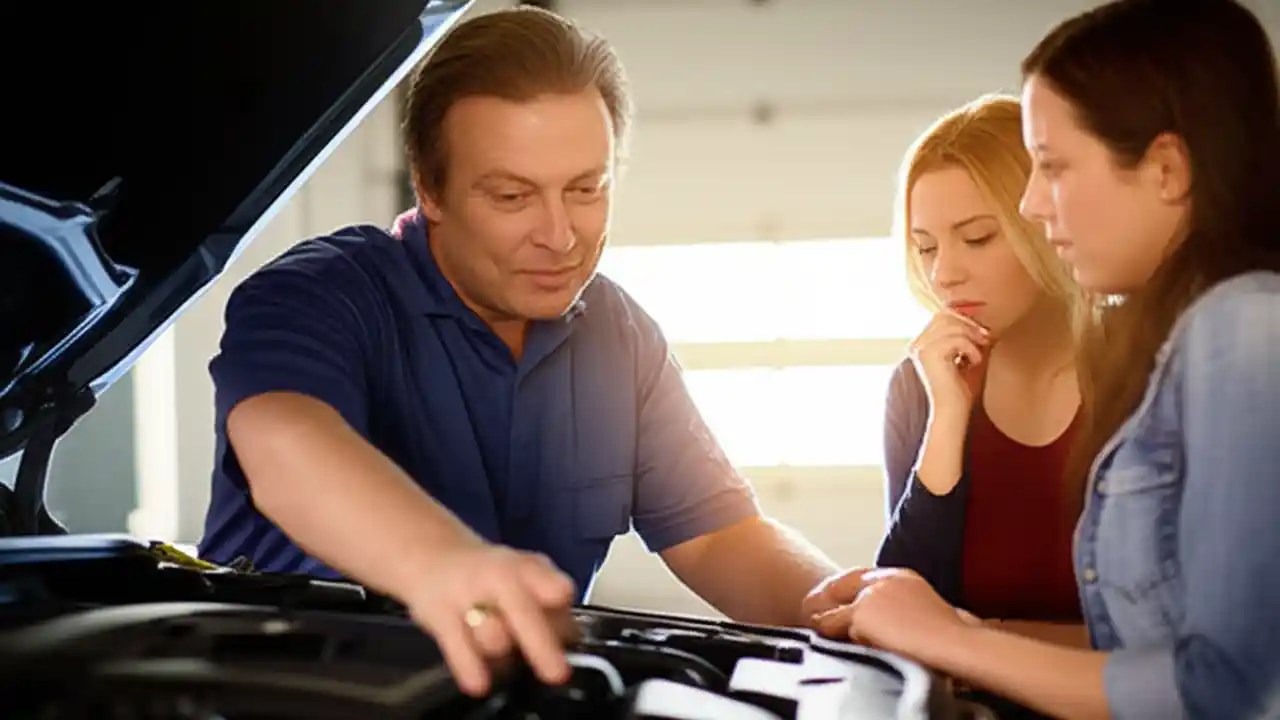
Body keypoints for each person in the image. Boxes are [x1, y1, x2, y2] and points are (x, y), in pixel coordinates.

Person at [197, 6, 838, 698]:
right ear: (430, 187)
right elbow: (285, 441)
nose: (560, 236)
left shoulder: (619, 336)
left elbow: (720, 539)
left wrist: (854, 605)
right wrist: (444, 565)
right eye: (512, 196)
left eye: (586, 189)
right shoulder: (321, 294)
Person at [804, 1, 1280, 717]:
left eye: (1053, 167)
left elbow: (1224, 685)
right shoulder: (1202, 333)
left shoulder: (1237, 329)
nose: (1033, 203)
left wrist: (959, 638)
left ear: (1167, 170)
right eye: (926, 246)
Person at [830, 94, 1088, 648]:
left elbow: (1177, 638)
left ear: (1048, 222)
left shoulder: (1142, 367)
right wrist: (947, 417)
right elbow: (901, 610)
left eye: (977, 238)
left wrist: (978, 637)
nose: (944, 274)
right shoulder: (916, 388)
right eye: (925, 248)